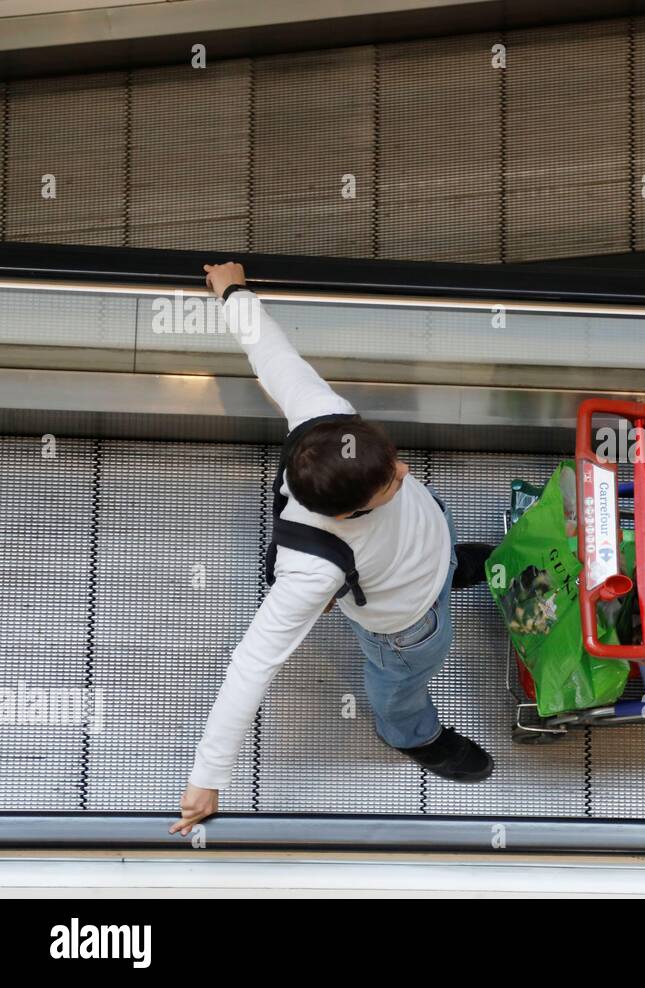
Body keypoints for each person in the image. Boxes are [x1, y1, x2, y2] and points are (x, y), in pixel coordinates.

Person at [172, 262, 494, 837]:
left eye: (391, 457)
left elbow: (273, 356)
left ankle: (452, 566)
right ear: (346, 513)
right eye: (391, 482)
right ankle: (412, 735)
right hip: (404, 623)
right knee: (398, 684)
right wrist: (206, 775)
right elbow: (252, 665)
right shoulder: (311, 568)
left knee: (443, 557)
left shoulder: (326, 421)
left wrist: (233, 292)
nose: (404, 470)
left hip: (424, 546)